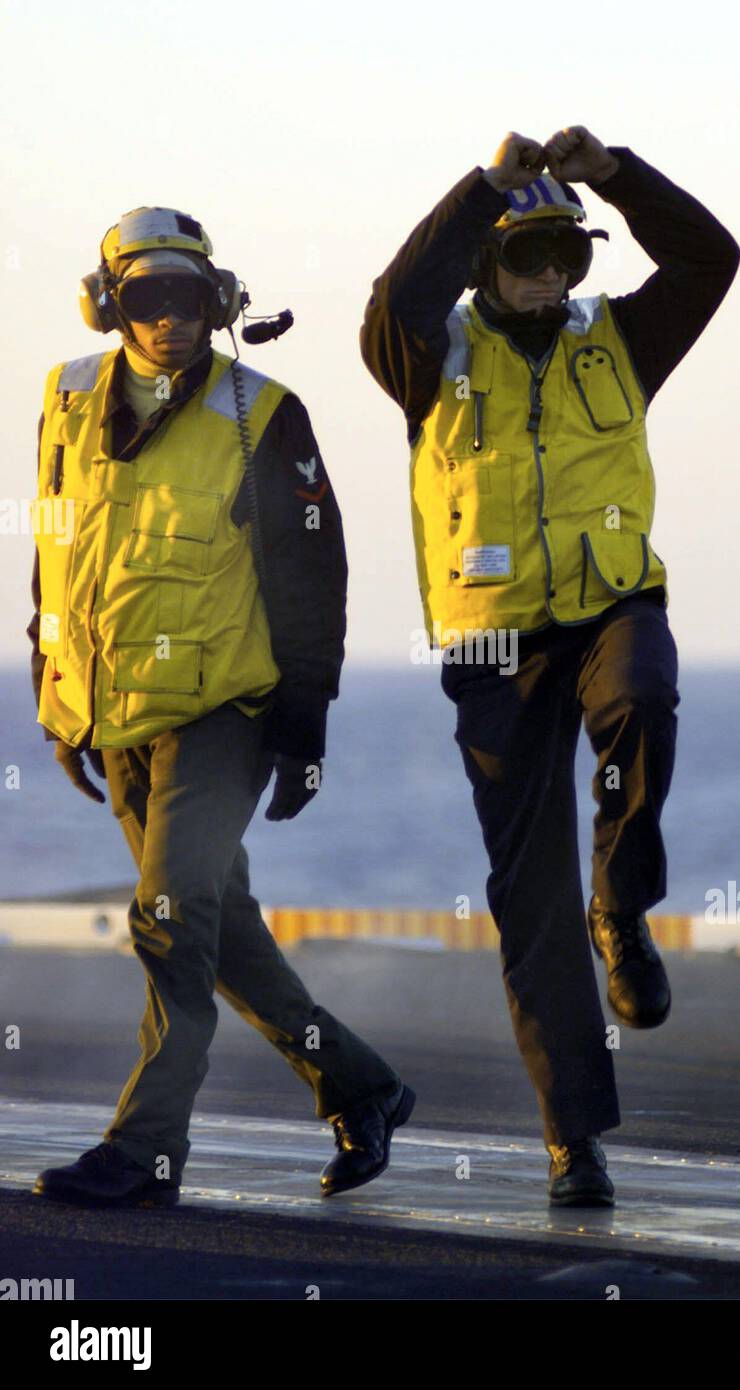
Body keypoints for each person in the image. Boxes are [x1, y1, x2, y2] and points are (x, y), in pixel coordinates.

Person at [361, 127, 740, 1206]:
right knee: (526, 901)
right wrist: (482, 188)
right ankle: (573, 1137)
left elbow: (711, 257)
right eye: (526, 256)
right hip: (490, 644)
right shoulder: (424, 355)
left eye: (564, 259)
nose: (546, 278)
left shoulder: (620, 339)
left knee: (643, 692)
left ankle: (620, 905)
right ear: (486, 259)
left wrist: (614, 172)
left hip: (610, 604)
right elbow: (392, 298)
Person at [28, 206, 414, 1208]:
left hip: (223, 714)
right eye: (148, 299)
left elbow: (312, 570)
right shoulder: (65, 396)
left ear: (220, 301)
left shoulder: (263, 410)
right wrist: (52, 685)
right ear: (110, 304)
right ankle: (359, 1083)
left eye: (190, 300)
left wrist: (305, 720)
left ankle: (144, 1151)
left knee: (165, 915)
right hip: (113, 714)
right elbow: (57, 544)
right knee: (219, 931)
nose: (171, 320)